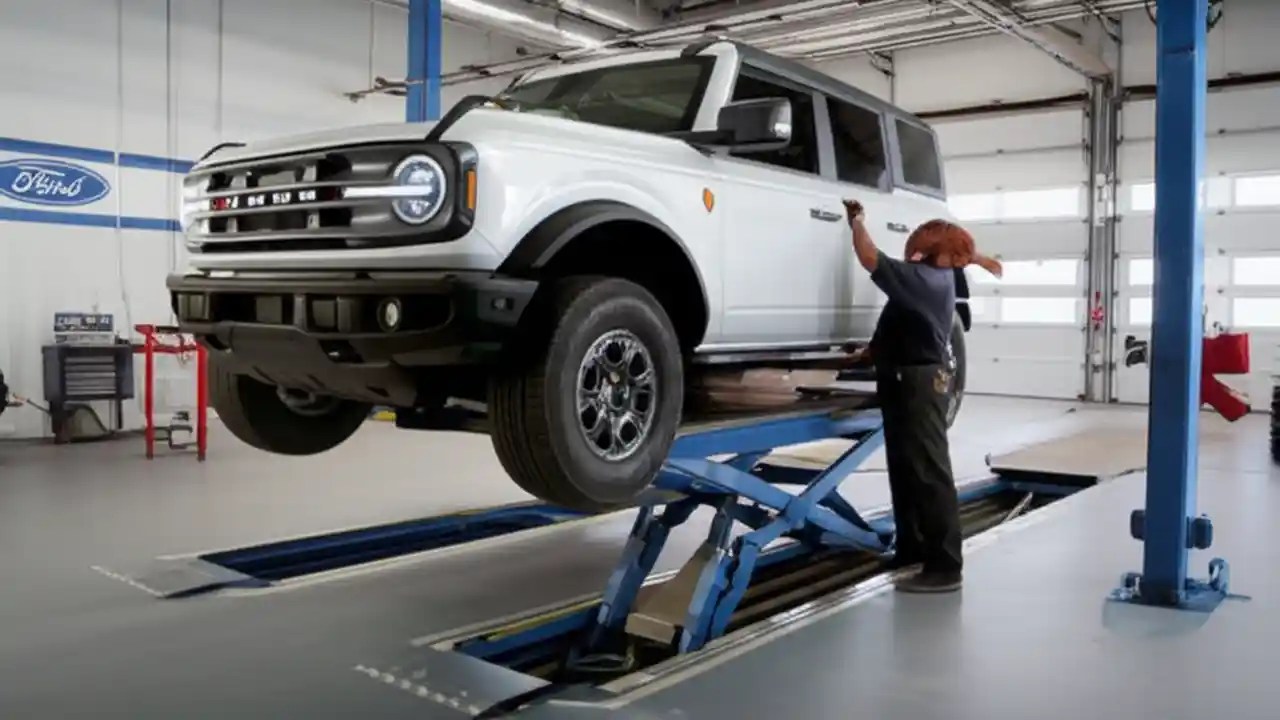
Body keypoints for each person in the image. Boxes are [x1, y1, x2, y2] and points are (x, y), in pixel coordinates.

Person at [842, 199, 1002, 593]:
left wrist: (857, 222)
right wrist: (871, 352)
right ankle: (912, 550)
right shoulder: (935, 272)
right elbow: (902, 313)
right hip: (901, 377)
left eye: (917, 243)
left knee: (930, 472)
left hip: (919, 381)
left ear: (923, 253)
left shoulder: (922, 278)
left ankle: (945, 566)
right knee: (905, 468)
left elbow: (868, 257)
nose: (910, 246)